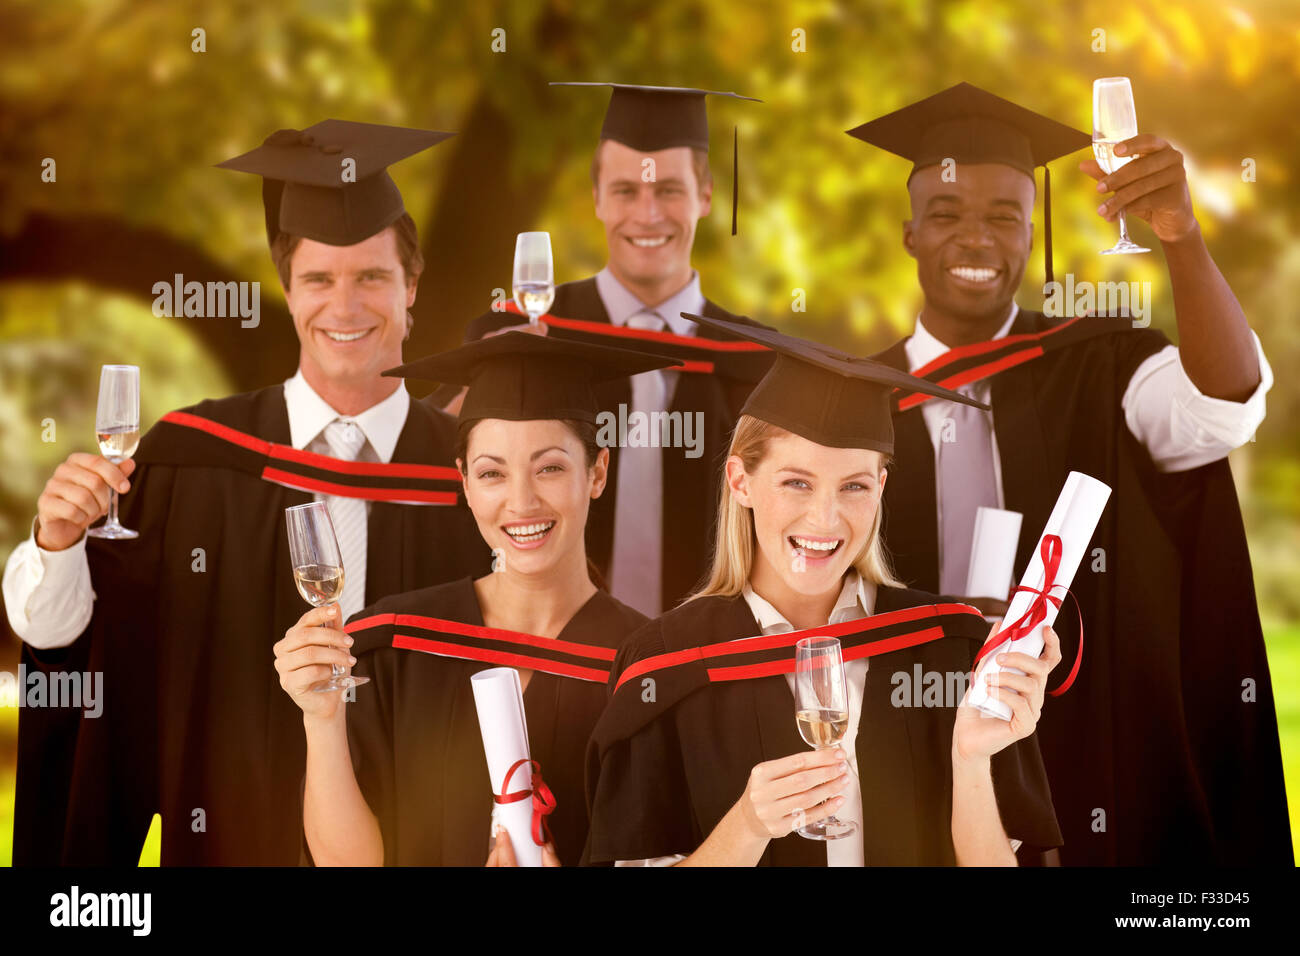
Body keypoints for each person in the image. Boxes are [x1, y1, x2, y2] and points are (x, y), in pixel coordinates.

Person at [2, 119, 490, 865]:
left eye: (372, 277)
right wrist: (57, 547)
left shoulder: (474, 477)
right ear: (288, 292)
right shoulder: (194, 461)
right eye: (320, 280)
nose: (346, 305)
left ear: (411, 286)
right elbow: (73, 645)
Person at [848, 82, 1290, 864]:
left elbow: (1223, 406)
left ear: (1033, 232)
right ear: (910, 232)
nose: (974, 238)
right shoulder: (850, 397)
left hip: (1078, 731)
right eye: (947, 214)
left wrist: (1182, 237)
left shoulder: (1102, 362)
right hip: (898, 736)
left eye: (1004, 216)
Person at [585, 316, 1063, 867]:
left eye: (853, 486)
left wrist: (971, 759)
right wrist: (747, 825)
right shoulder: (666, 665)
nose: (825, 517)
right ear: (740, 481)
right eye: (797, 482)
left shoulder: (947, 647)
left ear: (880, 488)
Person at [275, 332, 672, 865]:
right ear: (464, 483)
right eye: (491, 473)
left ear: (597, 471)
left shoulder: (649, 668)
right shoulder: (394, 645)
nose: (521, 501)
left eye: (550, 467)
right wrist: (320, 719)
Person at [438, 83, 773, 617]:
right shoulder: (519, 335)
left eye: (668, 190)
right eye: (625, 191)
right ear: (595, 197)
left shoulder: (756, 360)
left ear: (705, 194)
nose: (647, 214)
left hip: (708, 659)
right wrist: (475, 389)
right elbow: (434, 473)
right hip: (550, 652)